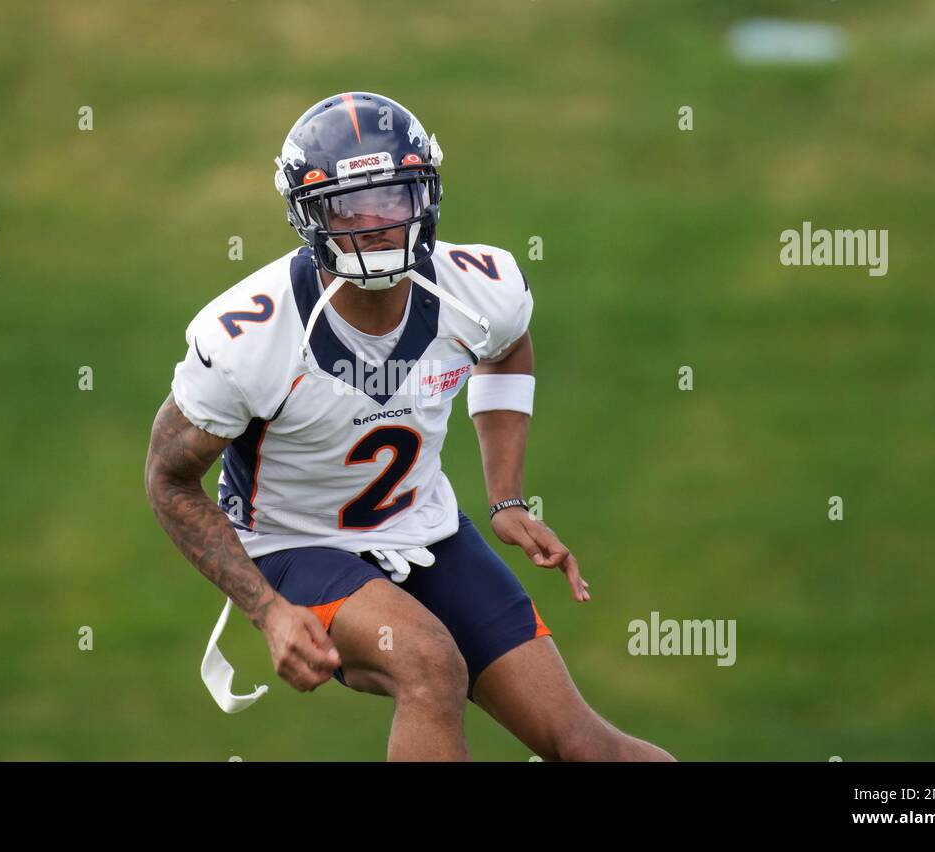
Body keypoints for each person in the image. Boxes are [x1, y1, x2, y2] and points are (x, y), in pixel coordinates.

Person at [145, 92, 672, 761]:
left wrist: (505, 497)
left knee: (590, 747)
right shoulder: (251, 336)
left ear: (424, 197)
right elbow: (169, 481)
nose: (373, 225)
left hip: (425, 529)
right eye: (347, 207)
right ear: (310, 216)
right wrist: (266, 608)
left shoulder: (478, 289)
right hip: (290, 543)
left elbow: (506, 345)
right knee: (429, 666)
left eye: (391, 201)